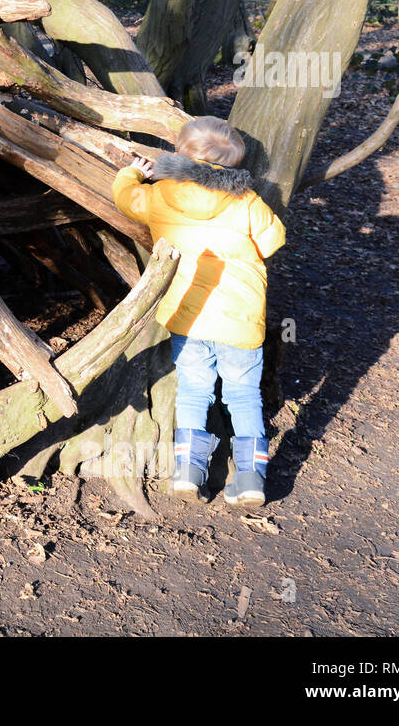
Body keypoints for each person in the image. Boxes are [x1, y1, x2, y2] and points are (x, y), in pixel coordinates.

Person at [112, 116, 286, 505]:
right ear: (235, 165)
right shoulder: (247, 200)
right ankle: (252, 477)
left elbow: (126, 199)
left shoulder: (160, 194)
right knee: (243, 397)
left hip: (188, 318)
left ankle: (189, 471)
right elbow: (274, 239)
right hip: (241, 321)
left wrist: (130, 174)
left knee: (194, 391)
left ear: (178, 154)